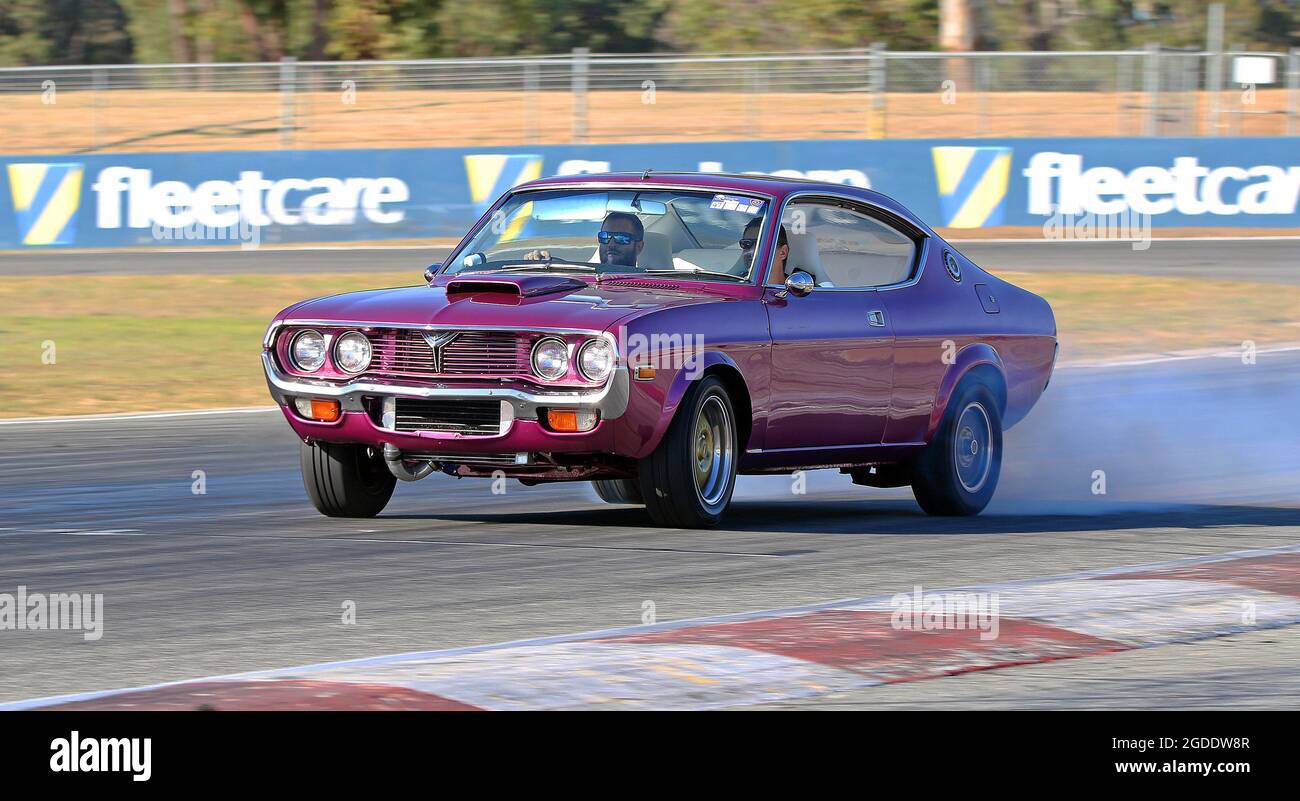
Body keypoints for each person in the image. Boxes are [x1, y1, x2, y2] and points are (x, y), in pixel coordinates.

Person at [525, 211, 645, 270]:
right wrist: (538, 264)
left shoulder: (651, 289)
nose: (611, 244)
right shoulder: (579, 279)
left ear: (639, 246)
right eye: (605, 237)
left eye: (621, 238)